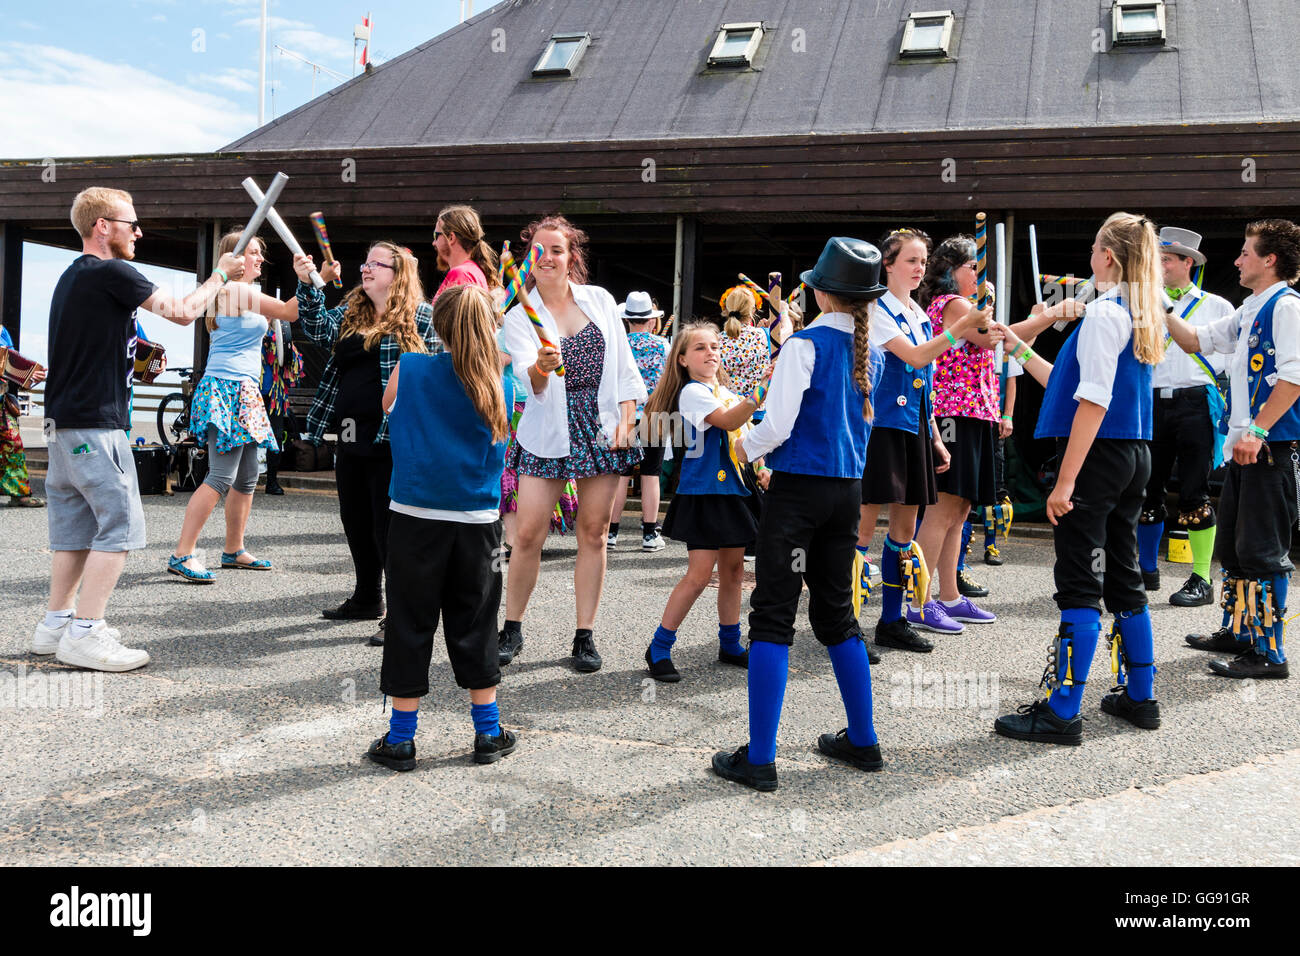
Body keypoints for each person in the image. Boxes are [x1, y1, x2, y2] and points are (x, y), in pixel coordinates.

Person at [31, 186, 245, 671]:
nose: (139, 232)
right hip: (94, 424)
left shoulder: (72, 278)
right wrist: (219, 276)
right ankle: (86, 633)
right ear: (103, 226)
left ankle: (56, 624)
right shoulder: (112, 270)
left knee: (74, 529)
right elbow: (184, 311)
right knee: (121, 526)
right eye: (132, 224)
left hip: (62, 424)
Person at [711, 237, 888, 792]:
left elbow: (778, 423)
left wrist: (747, 448)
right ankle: (864, 741)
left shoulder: (803, 345)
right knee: (837, 615)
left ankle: (760, 757)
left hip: (797, 492)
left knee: (772, 616)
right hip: (846, 492)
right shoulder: (874, 352)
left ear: (817, 292)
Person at [994, 212, 1166, 744]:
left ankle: (1063, 709)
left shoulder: (1103, 315)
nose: (1090, 256)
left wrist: (1065, 483)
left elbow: (1092, 400)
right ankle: (1141, 696)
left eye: (1095, 247)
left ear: (1108, 257)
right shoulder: (1143, 311)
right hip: (1133, 453)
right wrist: (1021, 349)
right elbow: (1075, 387)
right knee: (1123, 576)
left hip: (1096, 457)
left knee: (1079, 580)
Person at [365, 285, 516, 770]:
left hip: (414, 516)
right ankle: (487, 732)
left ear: (439, 326)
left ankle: (402, 738)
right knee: (477, 621)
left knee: (410, 621)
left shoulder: (408, 368)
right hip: (478, 522)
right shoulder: (503, 382)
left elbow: (387, 408)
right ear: (490, 327)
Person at [499, 215, 645, 673]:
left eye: (556, 250)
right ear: (529, 260)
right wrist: (542, 366)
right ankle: (512, 627)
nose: (546, 258)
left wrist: (626, 422)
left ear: (570, 257)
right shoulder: (518, 316)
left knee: (594, 533)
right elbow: (532, 385)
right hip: (547, 431)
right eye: (537, 251)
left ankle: (585, 634)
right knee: (527, 534)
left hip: (600, 429)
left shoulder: (600, 300)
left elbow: (623, 368)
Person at [1171, 219, 1300, 680]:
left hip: (1269, 446)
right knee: (1236, 547)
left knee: (1263, 552)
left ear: (1270, 260)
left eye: (1246, 253)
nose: (1237, 260)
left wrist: (1259, 431)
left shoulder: (1285, 307)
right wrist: (1153, 302)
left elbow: (1294, 378)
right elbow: (1192, 339)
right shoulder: (1251, 308)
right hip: (1244, 446)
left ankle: (1270, 653)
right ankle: (1240, 632)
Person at [293, 242, 439, 646]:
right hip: (350, 432)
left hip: (394, 435)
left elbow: (438, 369)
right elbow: (317, 329)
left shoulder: (421, 316)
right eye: (366, 262)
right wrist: (309, 284)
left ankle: (398, 612)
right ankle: (365, 597)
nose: (367, 268)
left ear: (399, 273)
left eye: (378, 263)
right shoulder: (352, 311)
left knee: (387, 525)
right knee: (354, 518)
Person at [859, 229, 991, 654]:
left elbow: (925, 385)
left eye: (922, 261)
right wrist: (963, 328)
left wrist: (935, 437)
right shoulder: (875, 308)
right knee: (861, 532)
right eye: (910, 261)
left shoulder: (918, 314)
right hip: (880, 428)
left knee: (903, 532)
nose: (918, 269)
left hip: (914, 428)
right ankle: (843, 619)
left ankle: (893, 619)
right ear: (889, 264)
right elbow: (915, 358)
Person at [167, 231, 298, 582]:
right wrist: (312, 280)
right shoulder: (235, 291)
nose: (259, 258)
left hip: (244, 389)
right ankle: (182, 553)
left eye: (260, 253)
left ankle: (233, 549)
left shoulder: (240, 292)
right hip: (228, 388)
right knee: (221, 475)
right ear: (235, 259)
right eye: (252, 252)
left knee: (247, 475)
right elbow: (289, 311)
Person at [643, 322, 761, 682]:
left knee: (734, 571)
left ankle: (730, 643)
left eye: (714, 346)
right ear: (681, 360)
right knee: (698, 576)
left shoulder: (722, 390)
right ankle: (659, 647)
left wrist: (761, 464)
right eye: (699, 348)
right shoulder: (693, 392)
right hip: (705, 492)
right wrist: (761, 393)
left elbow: (745, 434)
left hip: (733, 489)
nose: (710, 352)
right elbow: (728, 422)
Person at [909, 235, 1003, 635]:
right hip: (955, 412)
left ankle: (947, 594)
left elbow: (995, 336)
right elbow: (992, 336)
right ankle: (919, 600)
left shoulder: (964, 305)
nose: (979, 276)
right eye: (973, 268)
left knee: (960, 509)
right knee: (943, 508)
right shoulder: (954, 305)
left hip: (973, 411)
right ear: (952, 271)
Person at [1137, 227, 1235, 604]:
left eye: (1166, 260)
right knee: (1146, 489)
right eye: (1157, 260)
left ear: (1187, 263)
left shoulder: (1217, 305)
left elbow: (1226, 361)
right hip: (1153, 402)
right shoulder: (1144, 305)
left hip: (1197, 401)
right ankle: (1146, 570)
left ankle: (1200, 579)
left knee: (1195, 492)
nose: (1159, 266)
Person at [610, 291, 669, 551]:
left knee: (620, 475)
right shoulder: (663, 346)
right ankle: (649, 534)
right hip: (654, 415)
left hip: (622, 414)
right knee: (651, 473)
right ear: (651, 321)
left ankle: (610, 533)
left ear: (628, 320)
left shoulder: (617, 345)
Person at [1, 325, 45, 507]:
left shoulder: (2, 331)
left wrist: (32, 376)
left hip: (1, 401)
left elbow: (14, 364)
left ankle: (20, 493)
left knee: (12, 444)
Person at [260, 318, 304, 496]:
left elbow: (293, 363)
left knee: (276, 437)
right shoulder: (253, 338)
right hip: (252, 393)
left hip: (274, 396)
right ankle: (240, 480)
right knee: (245, 437)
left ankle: (272, 481)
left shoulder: (279, 337)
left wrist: (280, 341)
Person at [431, 204, 501, 301]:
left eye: (436, 235)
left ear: (451, 238)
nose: (433, 243)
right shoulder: (470, 271)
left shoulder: (462, 274)